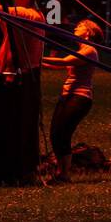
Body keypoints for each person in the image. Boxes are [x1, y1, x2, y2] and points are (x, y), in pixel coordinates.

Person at [42, 20, 102, 183]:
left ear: (88, 33)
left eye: (80, 25)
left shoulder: (90, 50)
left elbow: (63, 61)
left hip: (80, 97)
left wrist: (37, 57)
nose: (76, 27)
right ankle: (61, 172)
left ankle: (64, 174)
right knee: (55, 133)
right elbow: (60, 66)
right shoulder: (82, 50)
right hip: (68, 95)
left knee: (63, 133)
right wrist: (38, 62)